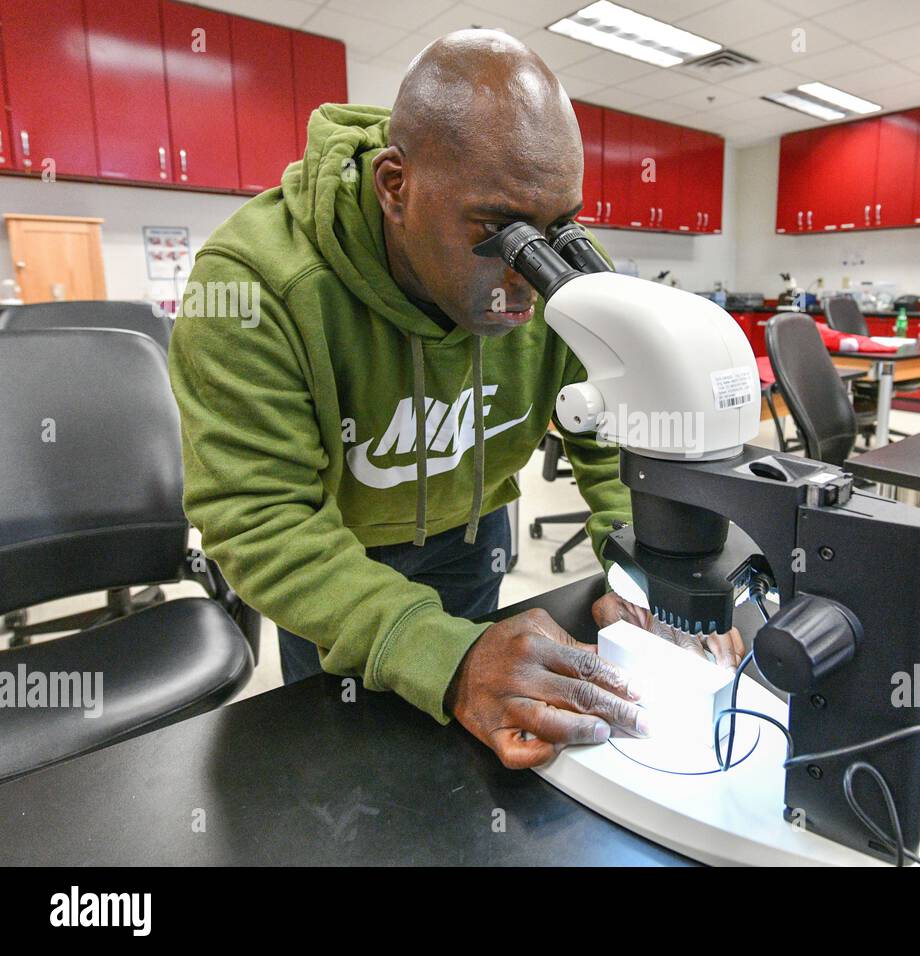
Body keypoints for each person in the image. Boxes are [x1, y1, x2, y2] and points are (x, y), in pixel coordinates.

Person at [169, 29, 741, 770]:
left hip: (471, 535)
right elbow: (258, 517)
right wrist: (447, 656)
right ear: (395, 186)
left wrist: (641, 571)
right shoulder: (252, 284)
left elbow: (616, 434)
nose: (529, 274)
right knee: (347, 765)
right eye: (497, 230)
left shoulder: (555, 270)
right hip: (328, 555)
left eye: (556, 227)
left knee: (467, 761)